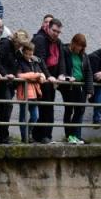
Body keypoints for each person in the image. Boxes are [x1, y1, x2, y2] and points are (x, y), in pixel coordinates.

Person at [31, 15, 63, 143]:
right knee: (45, 107)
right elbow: (40, 60)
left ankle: (45, 135)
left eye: (58, 32)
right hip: (43, 78)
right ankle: (43, 135)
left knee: (49, 107)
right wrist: (49, 76)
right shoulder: (40, 39)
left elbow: (61, 60)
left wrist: (61, 74)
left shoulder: (58, 42)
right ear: (48, 28)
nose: (56, 34)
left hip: (52, 79)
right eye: (54, 31)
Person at [58, 33, 93, 144]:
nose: (80, 48)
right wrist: (66, 77)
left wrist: (89, 90)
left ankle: (75, 135)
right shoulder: (65, 51)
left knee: (80, 110)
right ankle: (69, 136)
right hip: (69, 86)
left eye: (82, 46)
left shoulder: (83, 55)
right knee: (69, 110)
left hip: (80, 86)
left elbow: (88, 72)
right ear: (73, 43)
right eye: (79, 46)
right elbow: (62, 66)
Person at [14, 41, 47, 142]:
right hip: (24, 93)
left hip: (35, 93)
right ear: (23, 52)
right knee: (23, 116)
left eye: (31, 54)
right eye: (26, 54)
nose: (28, 56)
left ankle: (28, 132)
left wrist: (41, 77)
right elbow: (20, 76)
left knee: (35, 116)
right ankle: (24, 137)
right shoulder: (20, 62)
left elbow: (42, 75)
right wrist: (35, 75)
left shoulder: (35, 62)